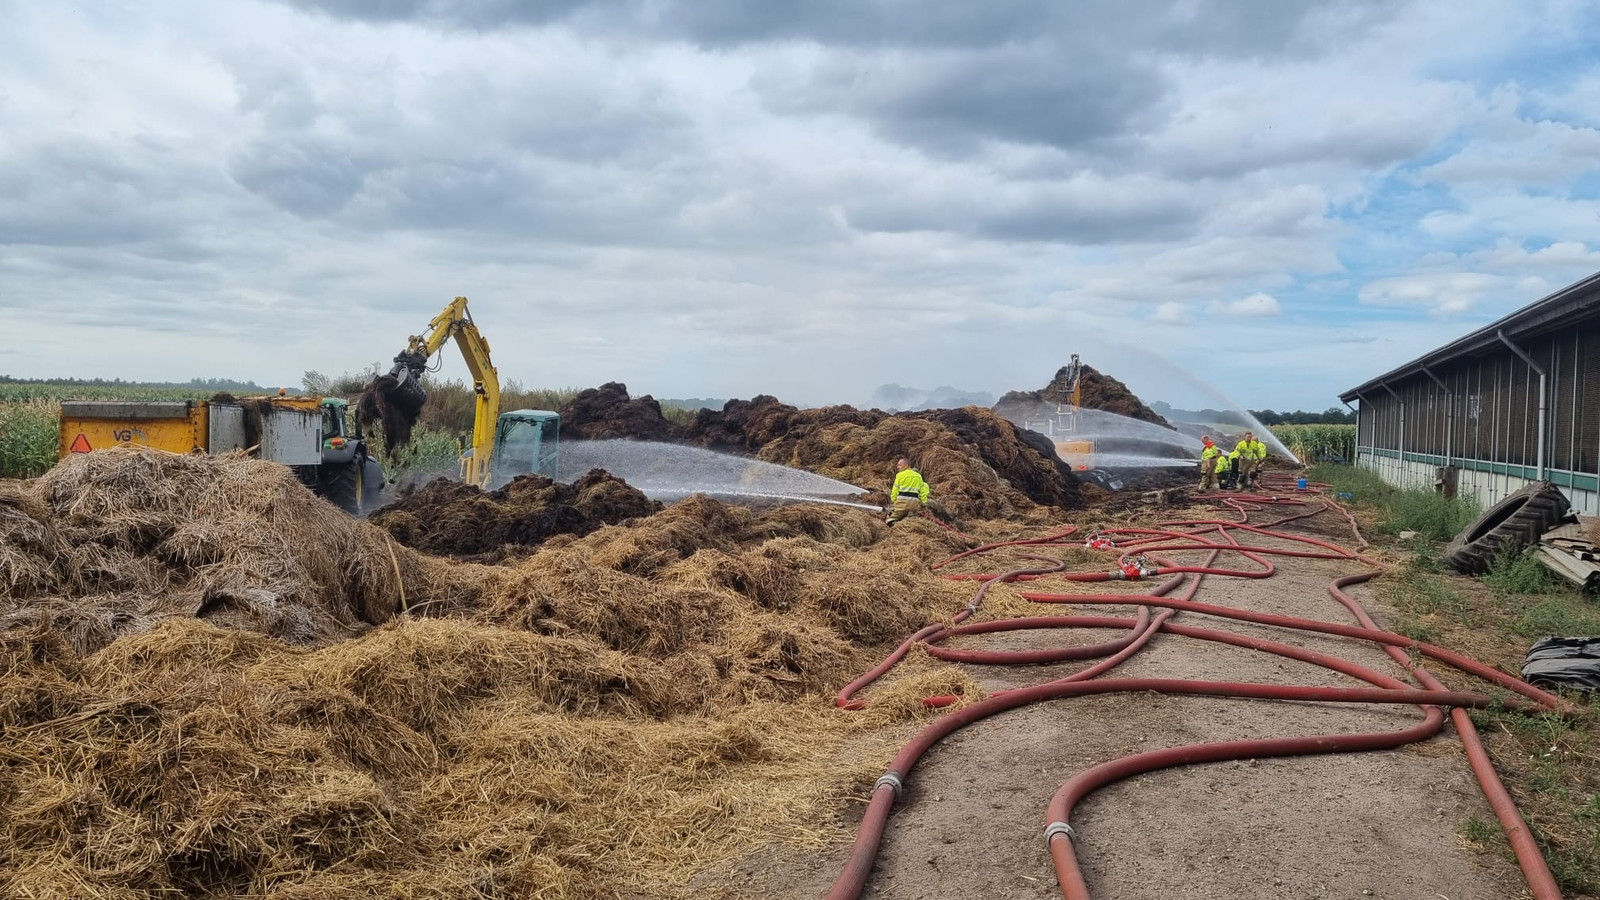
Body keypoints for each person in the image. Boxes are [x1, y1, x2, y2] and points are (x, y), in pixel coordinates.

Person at [885, 458, 930, 526]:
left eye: (899, 465)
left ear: (906, 465)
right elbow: (922, 493)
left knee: (890, 519)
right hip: (914, 506)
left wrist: (893, 501)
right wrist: (923, 504)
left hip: (901, 505)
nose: (897, 467)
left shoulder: (900, 475)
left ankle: (894, 525)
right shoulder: (918, 476)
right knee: (912, 518)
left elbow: (895, 491)